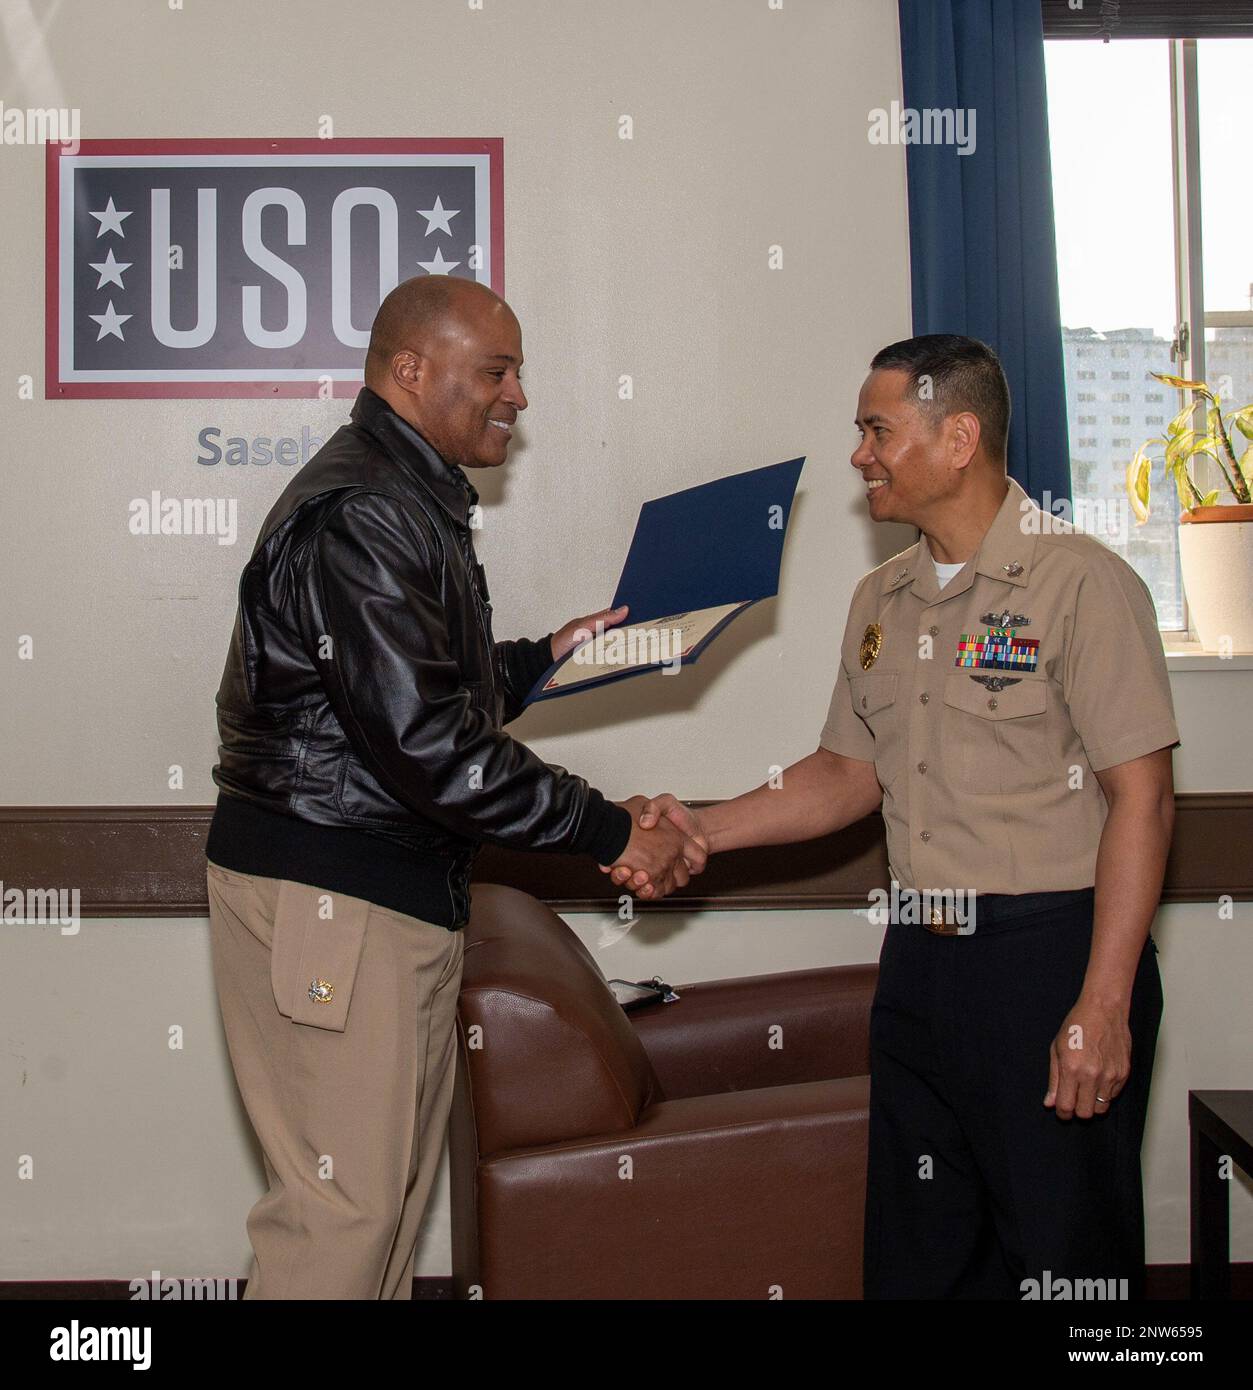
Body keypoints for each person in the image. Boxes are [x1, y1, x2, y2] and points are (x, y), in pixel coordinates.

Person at [623, 334, 1178, 1300]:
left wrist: (1103, 1001)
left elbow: (1144, 796)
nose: (858, 454)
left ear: (958, 437)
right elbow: (846, 773)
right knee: (924, 1255)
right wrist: (703, 831)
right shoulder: (883, 599)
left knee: (1065, 1261)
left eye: (877, 429)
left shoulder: (1080, 582)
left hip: (1046, 959)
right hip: (921, 963)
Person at [205, 274, 703, 1300]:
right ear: (410, 371)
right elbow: (430, 748)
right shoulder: (366, 513)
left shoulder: (406, 498)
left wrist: (538, 660)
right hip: (338, 895)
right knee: (340, 1220)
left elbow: (408, 697)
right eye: (496, 369)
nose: (517, 394)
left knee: (374, 1211)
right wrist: (611, 827)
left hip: (378, 890)